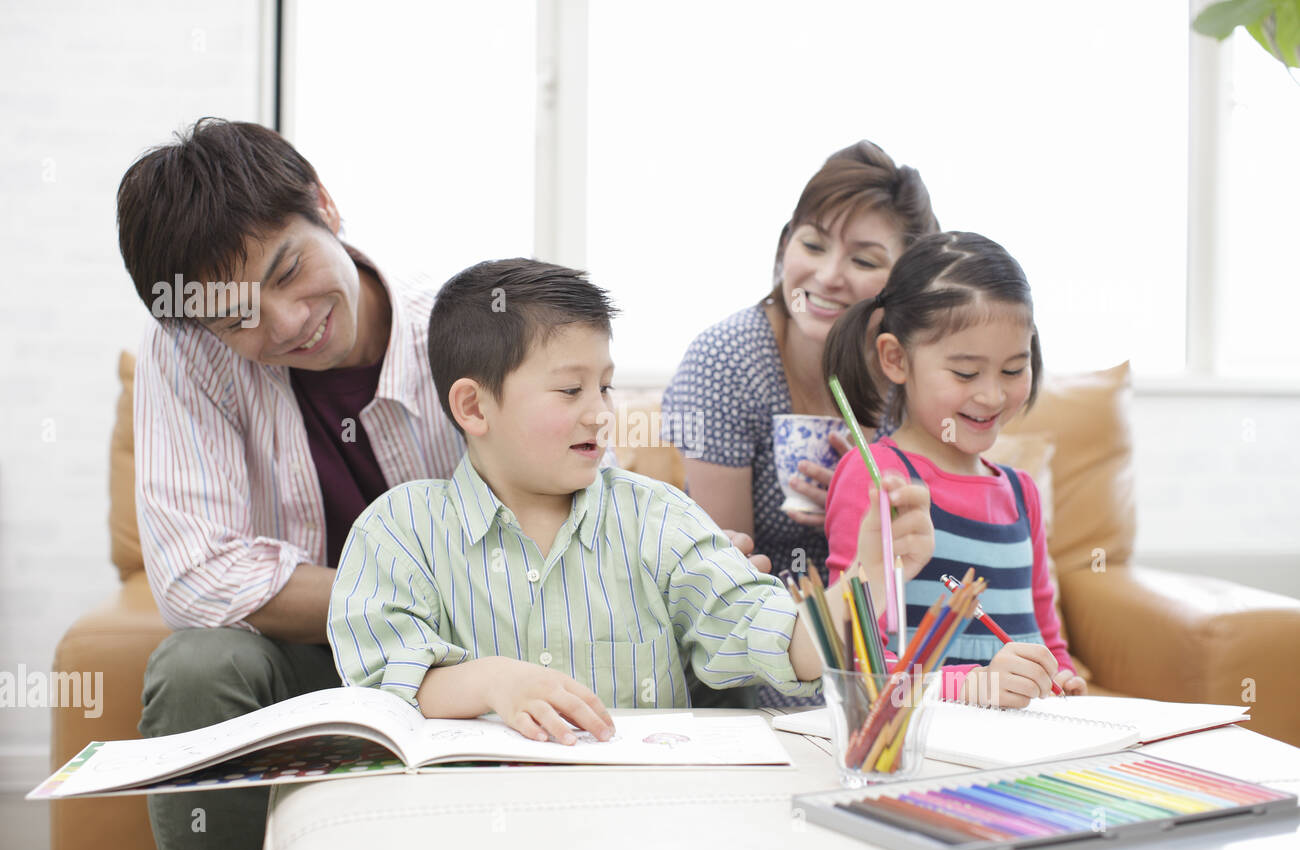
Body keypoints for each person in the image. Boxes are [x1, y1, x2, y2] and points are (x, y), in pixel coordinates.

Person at [326, 259, 936, 735]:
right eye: (570, 390)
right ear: (472, 406)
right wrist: (489, 682)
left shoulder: (659, 518)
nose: (600, 413)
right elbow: (383, 683)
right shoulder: (398, 530)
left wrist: (865, 578)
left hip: (637, 815)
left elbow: (772, 638)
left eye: (606, 386)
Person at [117, 118, 466, 850]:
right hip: (304, 662)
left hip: (467, 650)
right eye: (235, 317)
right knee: (195, 667)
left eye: (285, 273)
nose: (287, 324)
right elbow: (196, 577)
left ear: (326, 206)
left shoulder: (462, 325)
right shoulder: (187, 351)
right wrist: (419, 594)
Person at [659, 141, 939, 707]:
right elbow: (726, 575)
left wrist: (860, 502)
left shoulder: (907, 371)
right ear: (786, 243)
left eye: (863, 260)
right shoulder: (729, 358)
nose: (828, 275)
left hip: (889, 632)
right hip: (766, 640)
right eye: (812, 244)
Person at [822, 231, 1088, 708]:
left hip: (1023, 751)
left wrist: (1058, 678)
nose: (991, 395)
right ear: (896, 359)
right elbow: (853, 657)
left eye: (1013, 370)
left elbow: (1046, 636)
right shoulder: (878, 478)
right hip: (923, 750)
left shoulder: (1020, 491)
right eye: (966, 373)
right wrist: (972, 686)